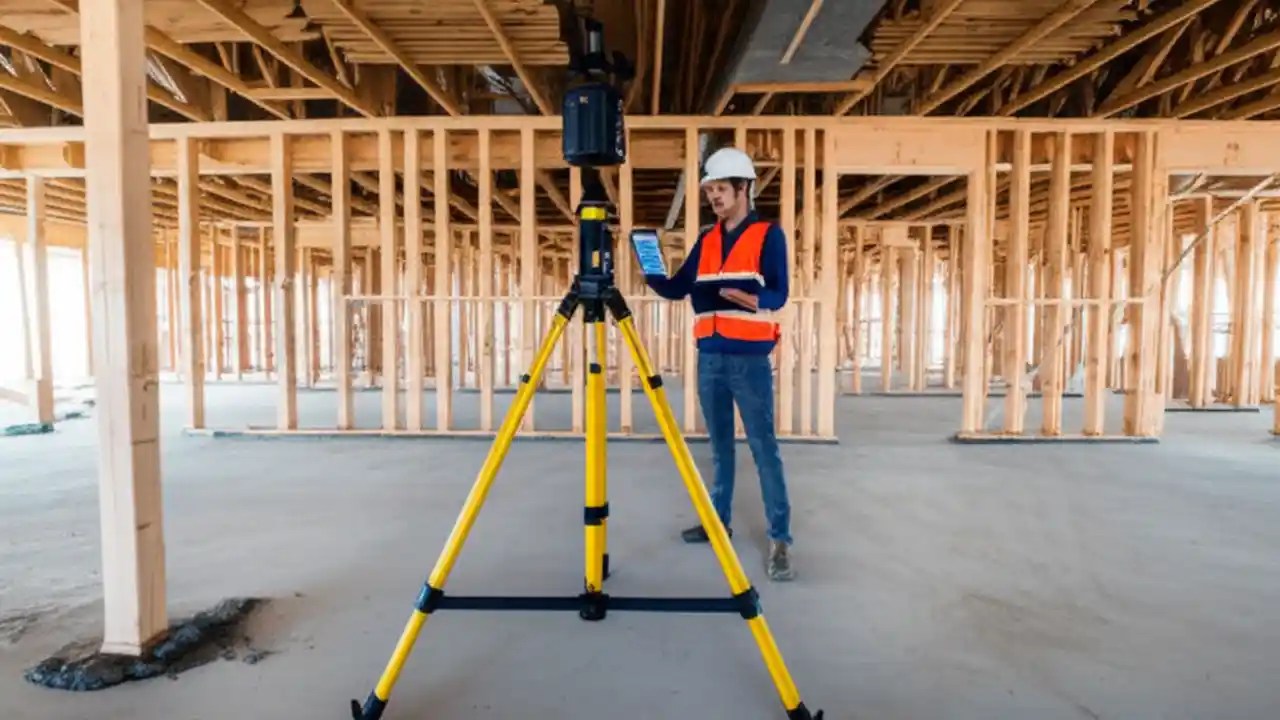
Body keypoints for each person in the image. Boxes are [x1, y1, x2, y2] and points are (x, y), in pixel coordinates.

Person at [643, 146, 796, 582]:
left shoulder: (768, 235)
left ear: (744, 188)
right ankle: (717, 523)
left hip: (748, 362)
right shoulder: (706, 241)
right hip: (709, 358)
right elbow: (677, 288)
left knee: (764, 448)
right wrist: (651, 270)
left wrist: (754, 299)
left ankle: (780, 539)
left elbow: (780, 293)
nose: (714, 197)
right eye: (709, 190)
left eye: (721, 189)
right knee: (719, 448)